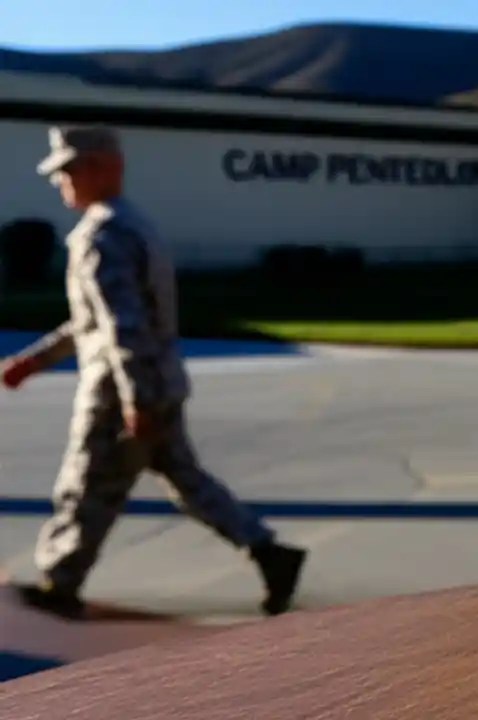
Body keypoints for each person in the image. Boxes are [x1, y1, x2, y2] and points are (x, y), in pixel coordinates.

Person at [1, 125, 306, 619]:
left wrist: (135, 400)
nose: (61, 182)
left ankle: (59, 583)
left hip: (121, 390)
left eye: (69, 170)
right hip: (158, 382)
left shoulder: (104, 237)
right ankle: (268, 552)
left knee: (86, 483)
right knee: (188, 481)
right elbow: (91, 321)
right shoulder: (135, 225)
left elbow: (124, 326)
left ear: (103, 168)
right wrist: (36, 360)